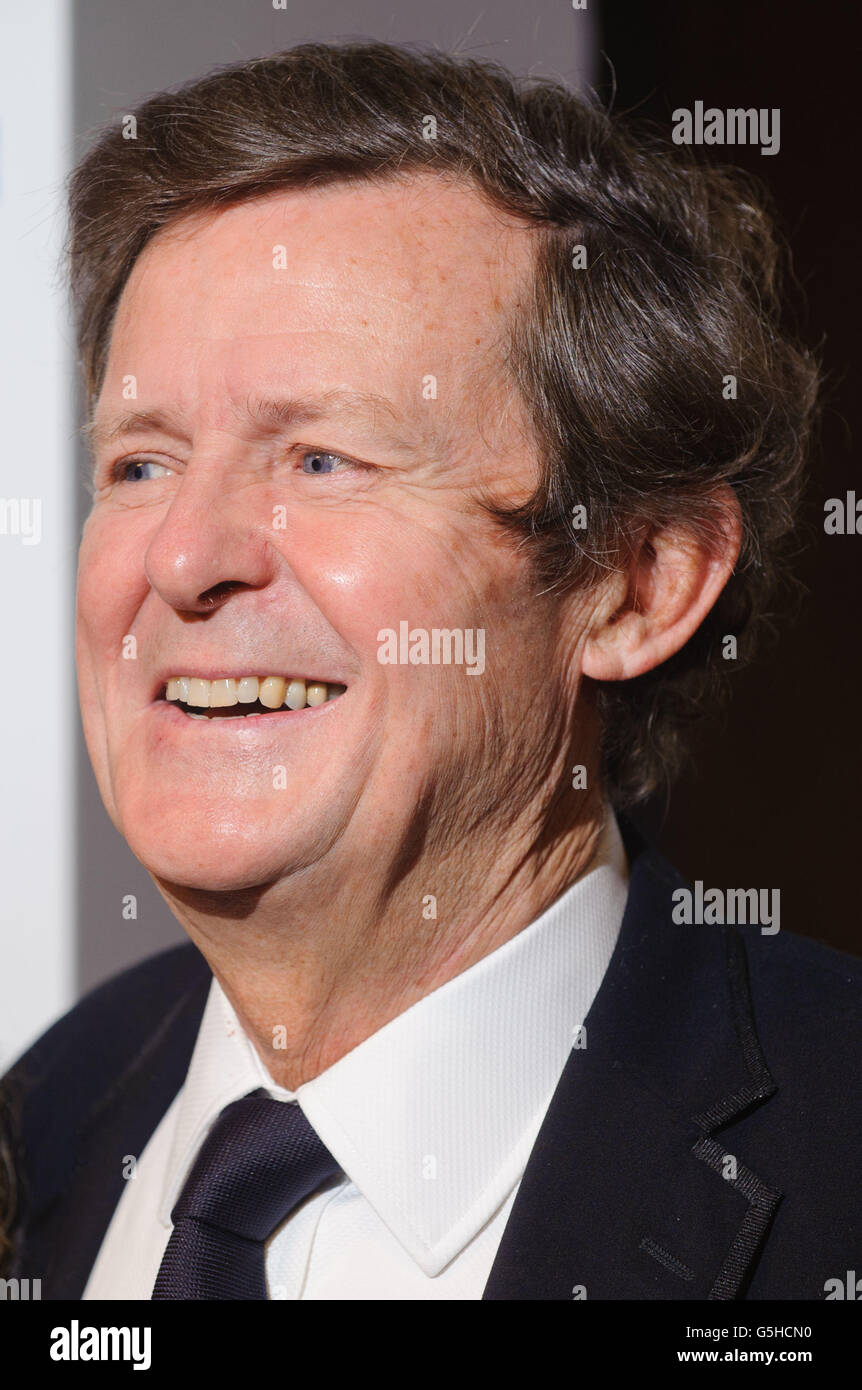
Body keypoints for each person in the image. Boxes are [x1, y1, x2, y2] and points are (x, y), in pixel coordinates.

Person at [3, 41, 859, 1301]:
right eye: (142, 463)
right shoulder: (50, 1116)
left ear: (639, 581)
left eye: (323, 459)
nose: (183, 557)